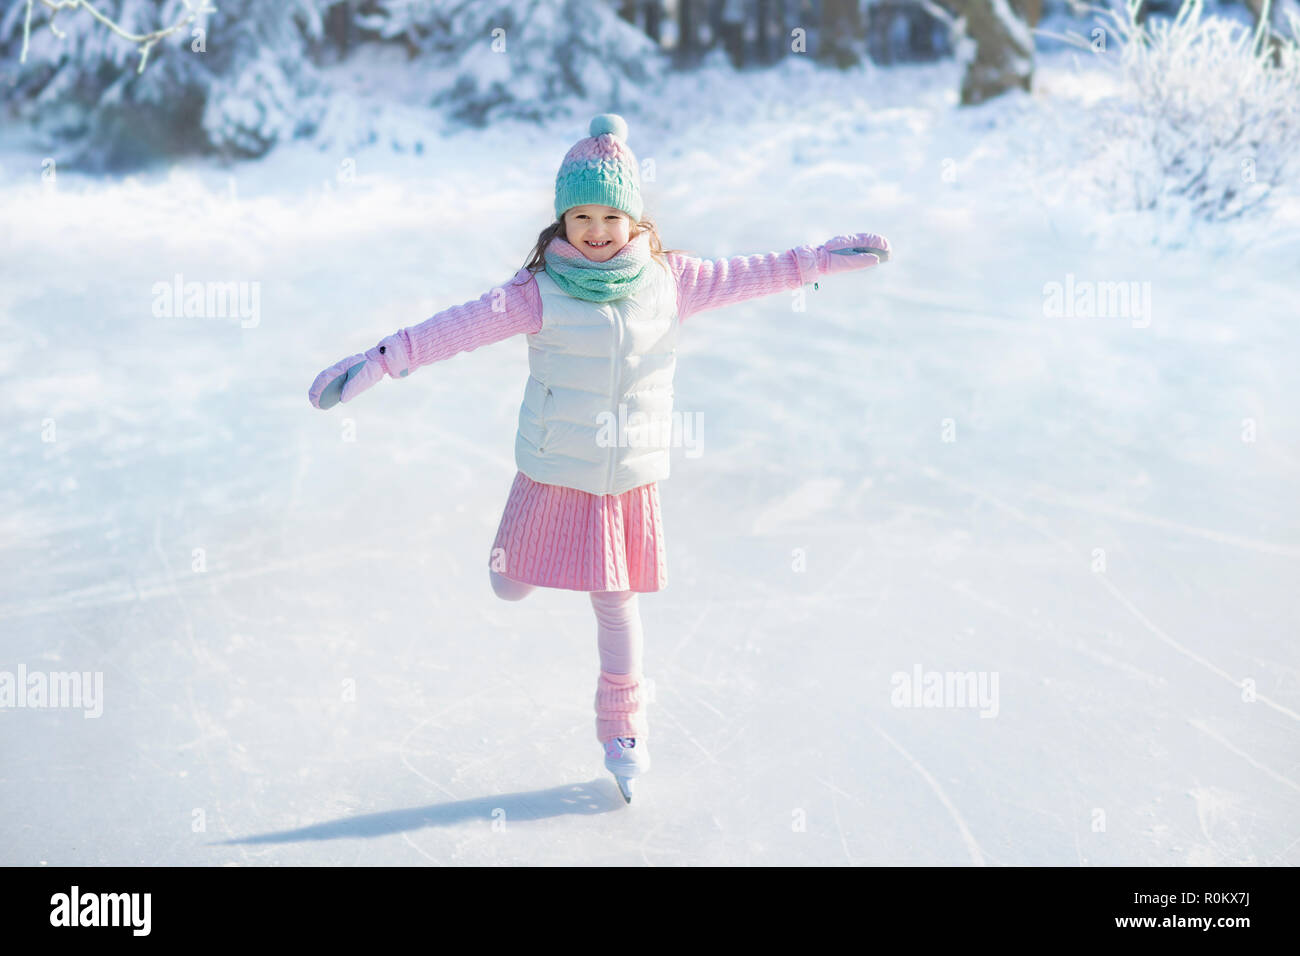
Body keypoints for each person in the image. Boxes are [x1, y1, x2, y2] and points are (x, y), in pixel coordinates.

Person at [308, 113, 891, 803]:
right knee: (507, 584)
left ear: (633, 218)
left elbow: (750, 273)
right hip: (554, 470)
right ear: (561, 220)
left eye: (611, 215)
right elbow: (454, 328)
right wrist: (381, 360)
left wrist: (817, 261)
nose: (595, 229)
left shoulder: (672, 280)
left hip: (624, 481)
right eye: (581, 215)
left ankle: (624, 728)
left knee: (616, 605)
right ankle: (533, 566)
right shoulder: (536, 292)